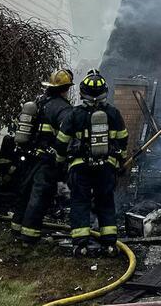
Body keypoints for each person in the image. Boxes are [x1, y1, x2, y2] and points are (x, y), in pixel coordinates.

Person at [55, 69, 128, 257]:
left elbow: (61, 142)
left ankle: (80, 245)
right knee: (105, 202)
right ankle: (109, 245)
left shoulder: (75, 114)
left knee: (80, 202)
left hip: (80, 168)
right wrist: (119, 161)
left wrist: (61, 163)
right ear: (106, 91)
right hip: (106, 167)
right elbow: (123, 140)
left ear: (81, 93)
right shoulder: (113, 113)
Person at [9, 67, 75, 244]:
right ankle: (29, 237)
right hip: (46, 160)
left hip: (29, 156)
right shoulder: (63, 108)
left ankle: (16, 227)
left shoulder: (40, 102)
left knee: (26, 192)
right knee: (40, 196)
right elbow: (68, 134)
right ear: (67, 88)